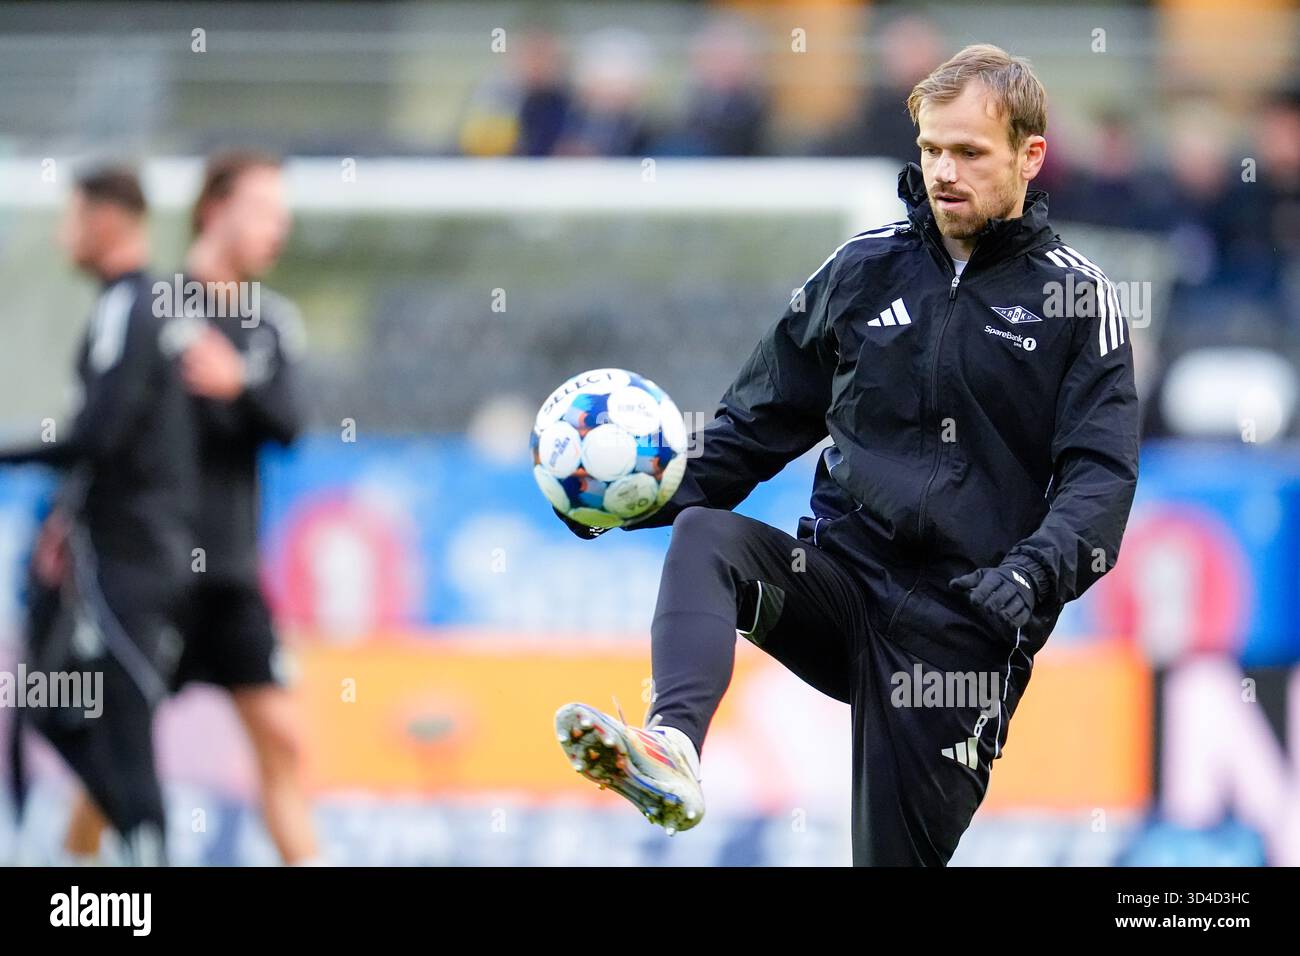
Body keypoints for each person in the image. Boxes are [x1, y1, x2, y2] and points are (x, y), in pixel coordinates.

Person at [553, 45, 1141, 865]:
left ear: (1029, 156)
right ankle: (673, 750)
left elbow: (1100, 477)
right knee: (709, 542)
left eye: (970, 152)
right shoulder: (861, 271)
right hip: (842, 587)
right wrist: (633, 502)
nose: (944, 171)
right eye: (932, 149)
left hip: (961, 637)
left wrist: (1033, 573)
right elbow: (754, 426)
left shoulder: (1079, 301)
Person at [63, 151, 319, 865]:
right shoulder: (152, 307)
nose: (277, 230)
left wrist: (238, 384)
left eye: (283, 217)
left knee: (283, 741)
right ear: (214, 209)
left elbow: (291, 423)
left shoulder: (270, 322)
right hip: (152, 573)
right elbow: (102, 425)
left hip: (232, 576)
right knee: (119, 758)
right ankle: (70, 882)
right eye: (264, 212)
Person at [1, 166, 196, 865]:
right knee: (54, 704)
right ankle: (132, 854)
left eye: (71, 215)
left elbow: (99, 433)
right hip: (115, 550)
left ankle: (144, 868)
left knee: (121, 726)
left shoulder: (134, 305)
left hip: (133, 557)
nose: (62, 234)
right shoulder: (142, 308)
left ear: (107, 219)